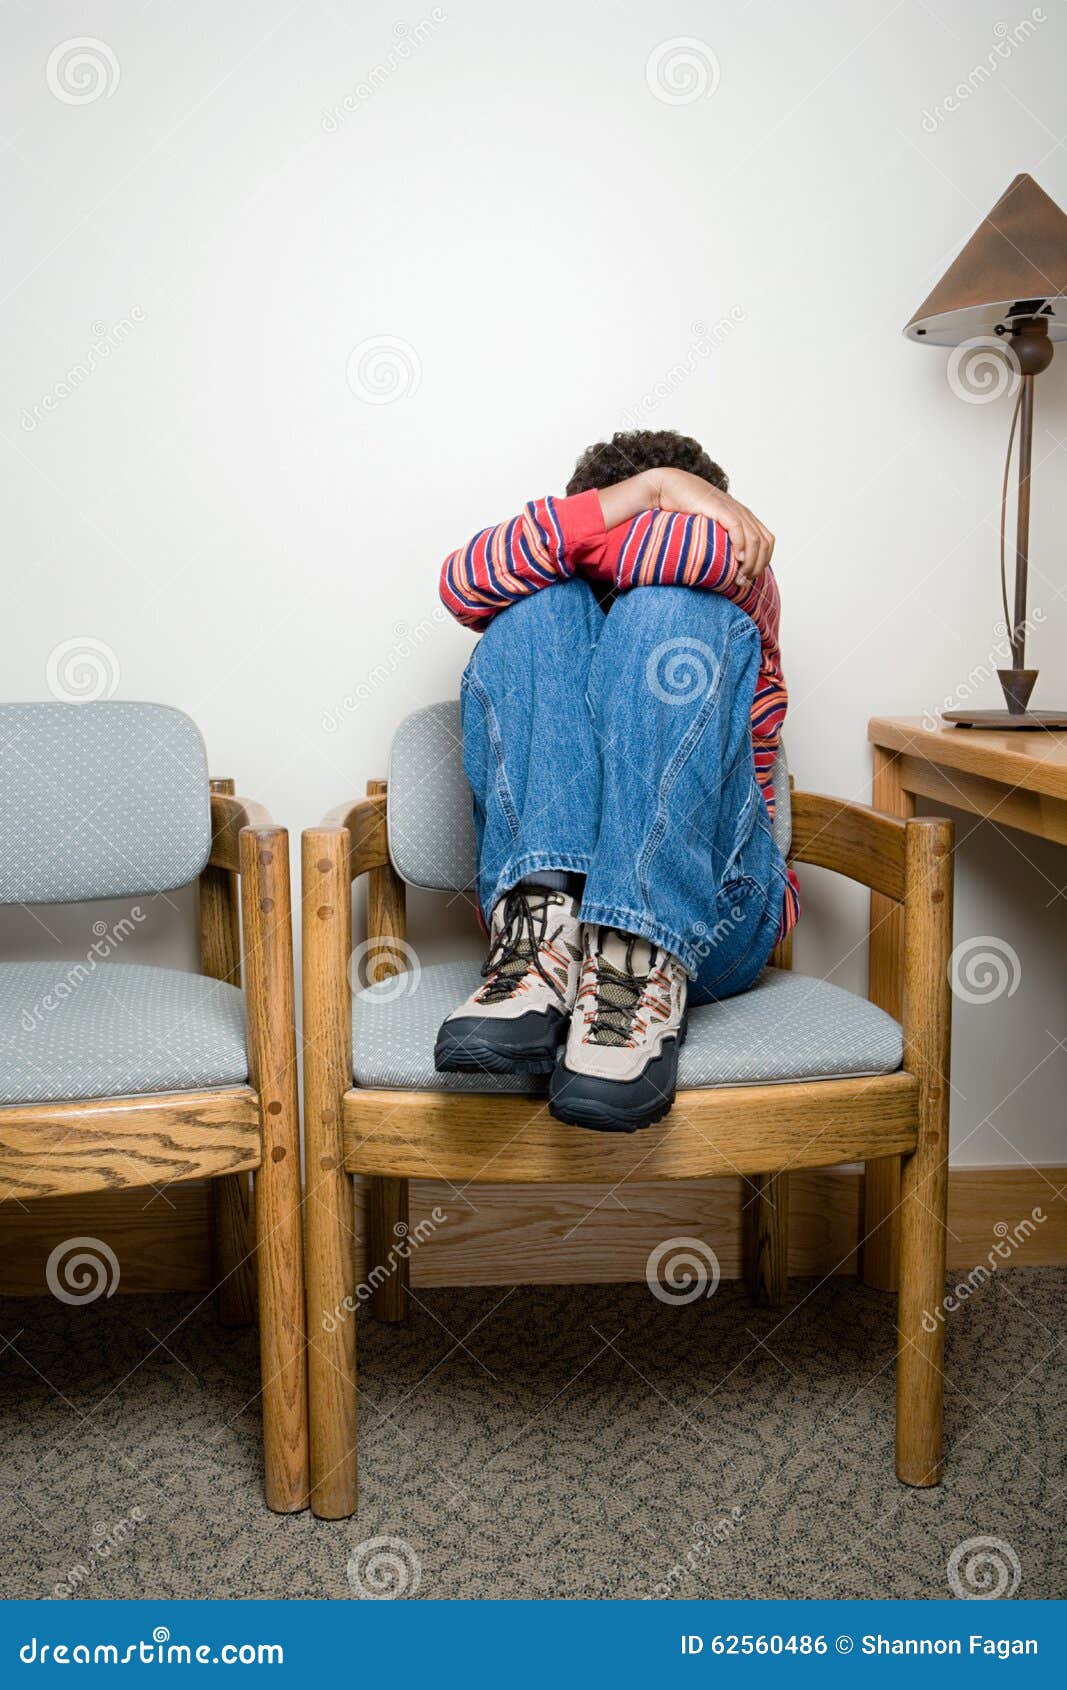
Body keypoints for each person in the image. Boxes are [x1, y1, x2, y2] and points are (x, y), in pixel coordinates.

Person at [433, 429, 799, 1133]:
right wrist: (651, 491)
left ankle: (643, 963)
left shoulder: (730, 581)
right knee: (530, 612)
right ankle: (540, 949)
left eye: (668, 508)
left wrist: (634, 508)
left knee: (664, 610)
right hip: (551, 931)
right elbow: (458, 580)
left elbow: (706, 553)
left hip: (714, 921)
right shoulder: (556, 615)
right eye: (629, 510)